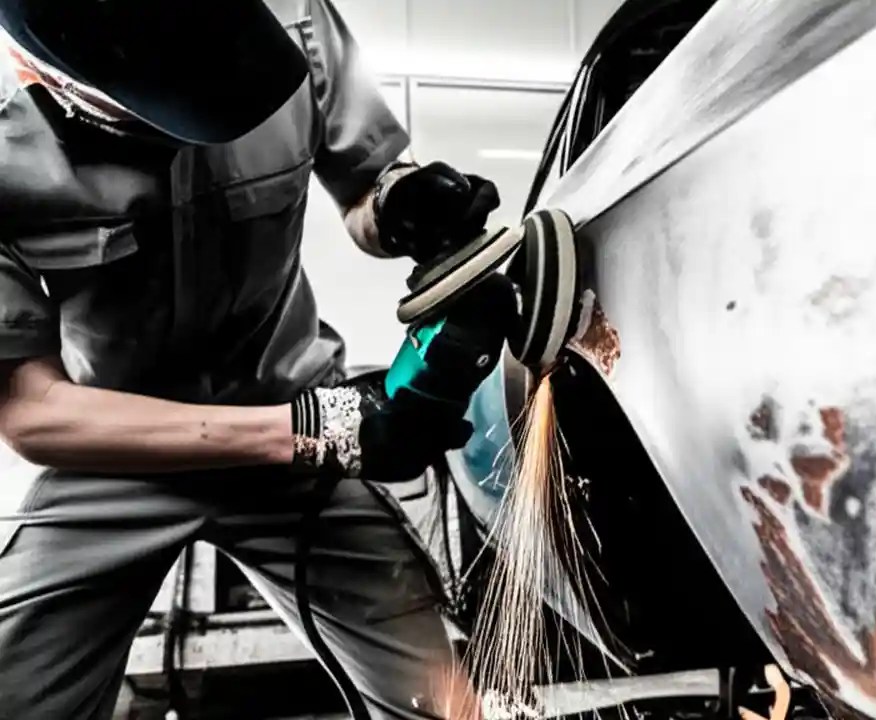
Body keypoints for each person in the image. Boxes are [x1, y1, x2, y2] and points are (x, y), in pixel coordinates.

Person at [0, 1, 505, 717]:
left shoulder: (295, 24)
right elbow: (30, 410)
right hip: (117, 453)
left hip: (296, 430)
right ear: (47, 75)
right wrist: (321, 427)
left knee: (443, 704)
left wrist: (400, 203)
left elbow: (364, 182)